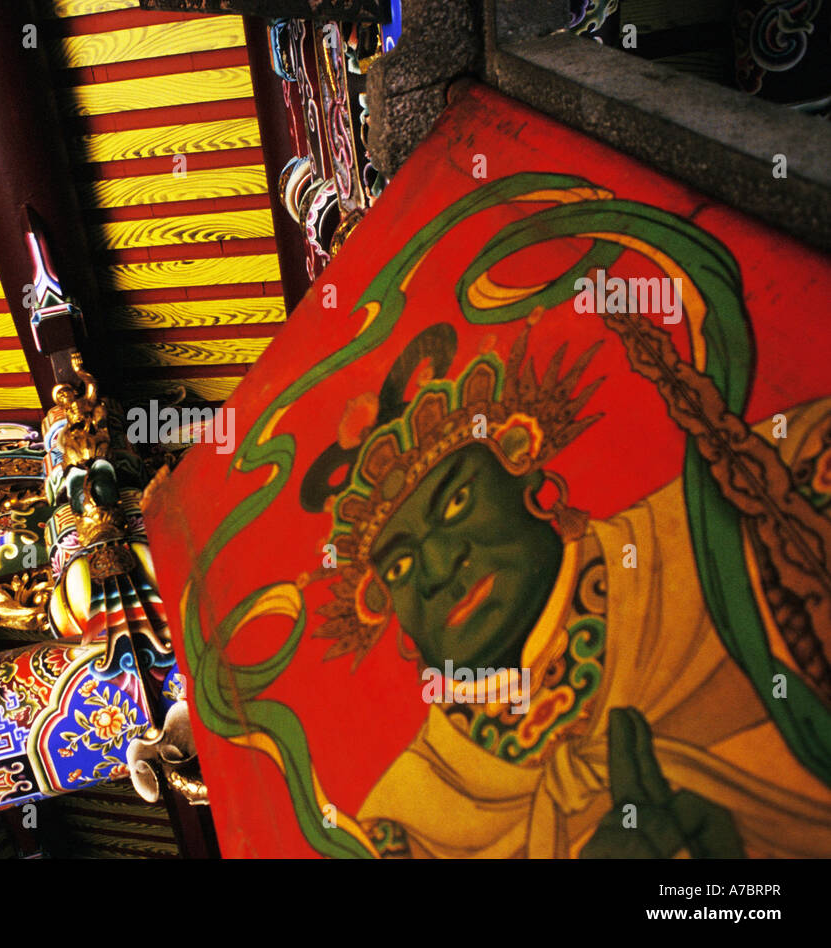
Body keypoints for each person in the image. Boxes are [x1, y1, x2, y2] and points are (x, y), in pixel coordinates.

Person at [304, 325, 831, 858]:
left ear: (531, 481)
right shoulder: (408, 825)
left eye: (457, 502)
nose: (439, 568)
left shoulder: (737, 523)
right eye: (399, 565)